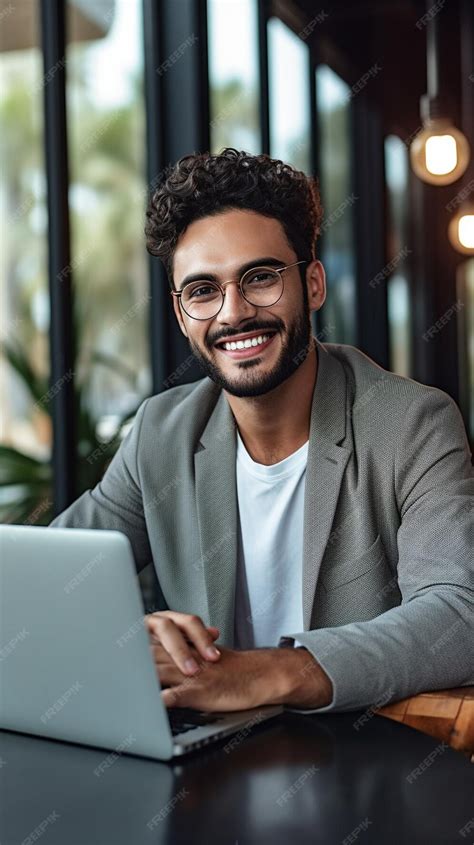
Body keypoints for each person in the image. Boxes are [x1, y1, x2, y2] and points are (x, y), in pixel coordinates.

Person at [50, 148, 473, 714]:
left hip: (361, 767)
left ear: (313, 284)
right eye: (203, 290)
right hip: (210, 770)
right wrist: (131, 636)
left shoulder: (412, 424)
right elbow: (46, 585)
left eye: (261, 278)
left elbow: (458, 614)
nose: (233, 313)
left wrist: (271, 673)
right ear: (182, 315)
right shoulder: (161, 434)